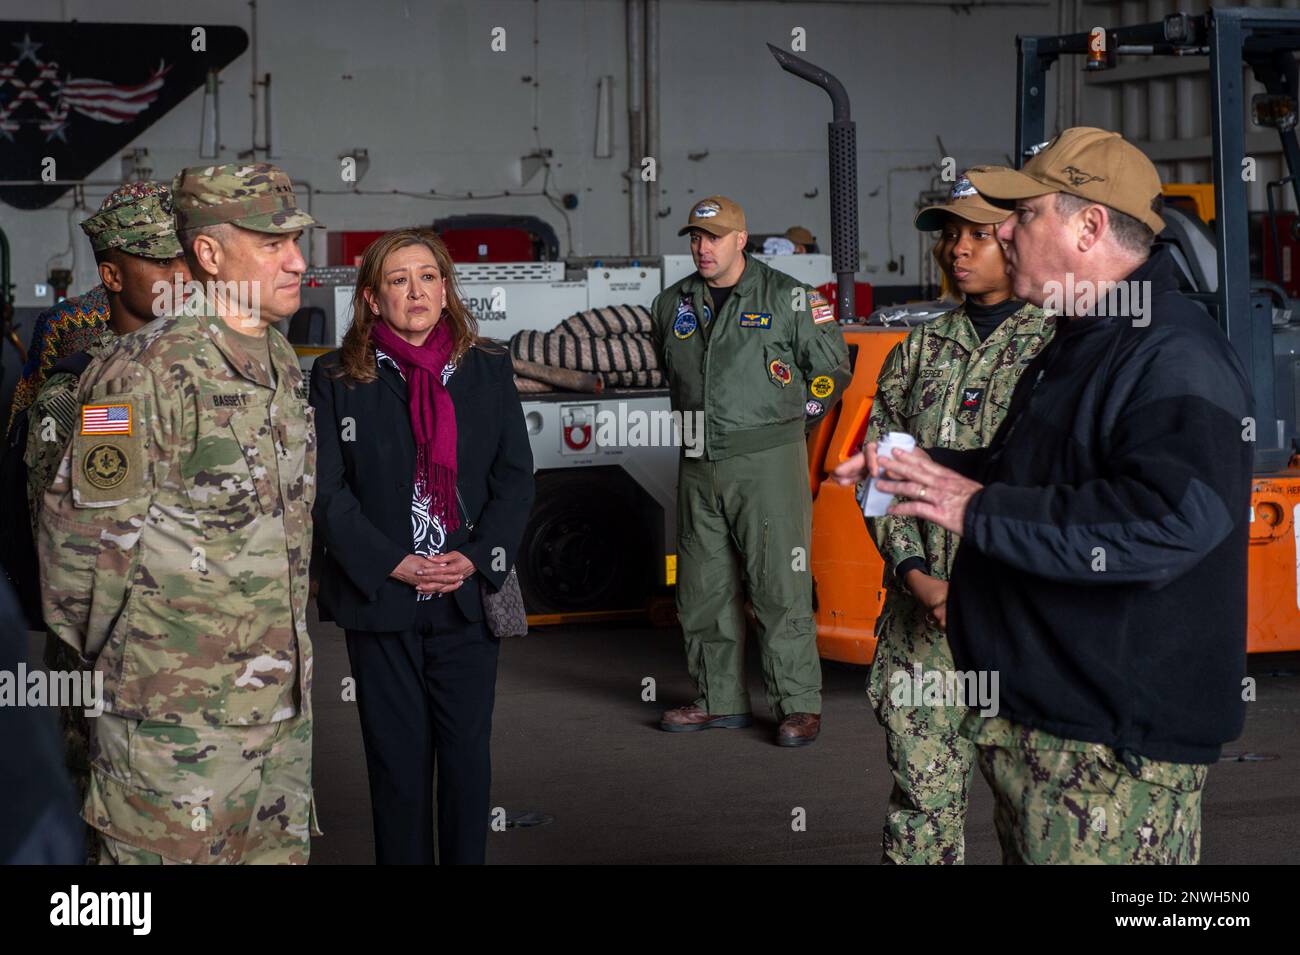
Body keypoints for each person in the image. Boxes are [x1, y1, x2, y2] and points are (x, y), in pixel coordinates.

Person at [834, 128, 1254, 864]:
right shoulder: (1082, 344)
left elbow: (1169, 519)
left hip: (1109, 753)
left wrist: (972, 507)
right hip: (1049, 732)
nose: (999, 231)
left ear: (1090, 226)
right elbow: (1033, 477)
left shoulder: (1172, 351)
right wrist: (920, 467)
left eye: (1024, 215)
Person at [38, 161, 322, 864]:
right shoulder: (140, 371)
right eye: (271, 242)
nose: (298, 260)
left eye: (296, 240)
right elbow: (79, 556)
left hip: (280, 721)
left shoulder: (280, 361)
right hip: (171, 734)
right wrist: (148, 674)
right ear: (208, 253)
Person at [310, 228, 534, 865]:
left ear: (446, 288)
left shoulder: (486, 366)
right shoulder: (336, 376)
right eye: (399, 279)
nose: (417, 290)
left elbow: (514, 476)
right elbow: (327, 492)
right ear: (374, 298)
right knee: (397, 762)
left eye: (429, 276)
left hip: (465, 596)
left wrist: (479, 555)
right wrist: (392, 562)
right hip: (383, 597)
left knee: (466, 759)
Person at [861, 174, 1054, 865]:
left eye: (976, 233)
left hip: (1020, 627)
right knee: (921, 811)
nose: (957, 250)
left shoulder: (1057, 347)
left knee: (1032, 816)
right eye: (950, 235)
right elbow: (882, 477)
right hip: (924, 633)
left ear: (1013, 236)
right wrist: (919, 577)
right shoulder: (917, 351)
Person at [21, 180, 189, 863]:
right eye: (158, 262)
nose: (179, 277)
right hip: (115, 662)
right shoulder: (97, 390)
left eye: (186, 259)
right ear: (113, 275)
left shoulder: (204, 369)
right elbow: (86, 551)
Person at [652, 195, 851, 746]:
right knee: (700, 587)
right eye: (695, 237)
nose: (702, 247)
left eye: (714, 237)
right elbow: (674, 373)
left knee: (777, 585)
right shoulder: (673, 303)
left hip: (767, 462)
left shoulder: (790, 298)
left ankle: (798, 704)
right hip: (696, 461)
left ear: (741, 239)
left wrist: (794, 421)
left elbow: (832, 371)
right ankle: (718, 701)